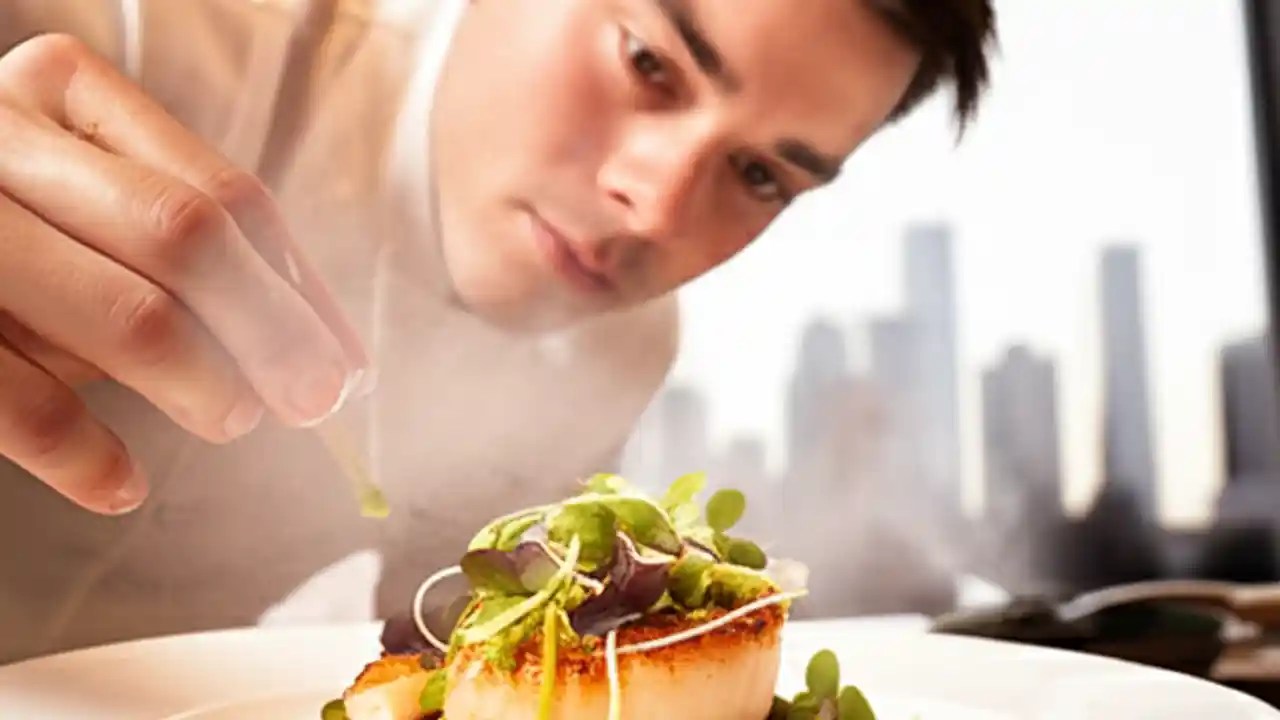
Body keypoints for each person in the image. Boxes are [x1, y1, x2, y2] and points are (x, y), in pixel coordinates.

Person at [0, 0, 996, 664]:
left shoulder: (615, 352)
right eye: (647, 61)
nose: (650, 209)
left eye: (757, 177)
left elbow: (441, 665)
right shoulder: (132, 34)